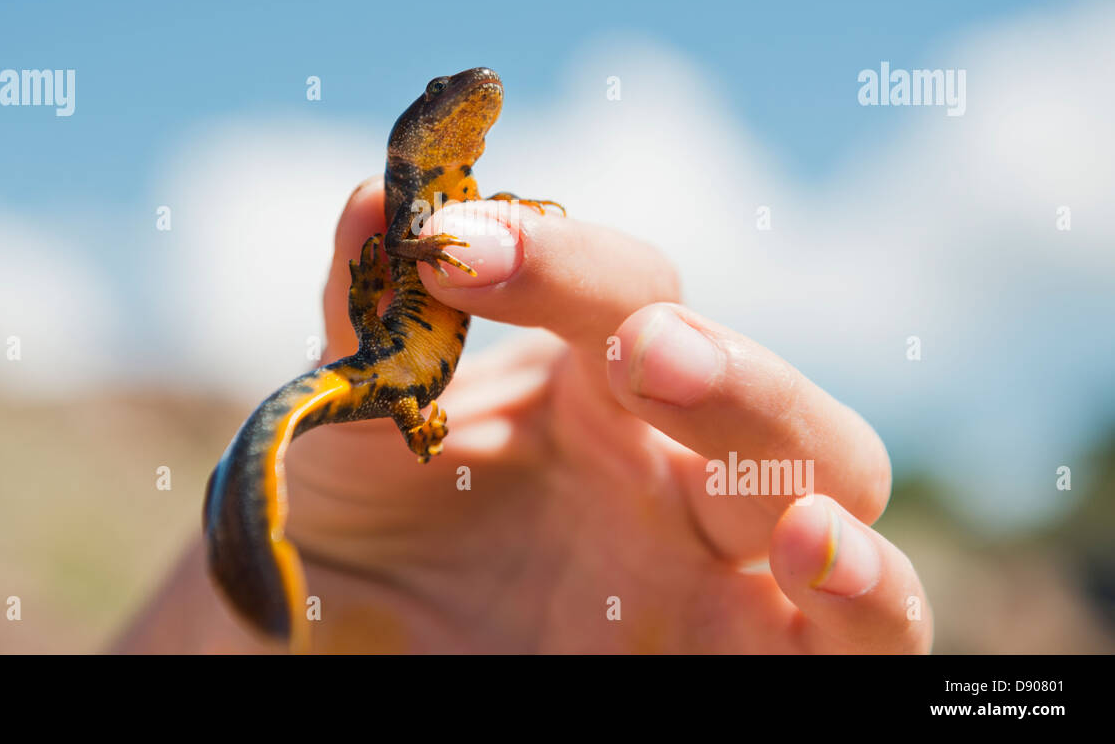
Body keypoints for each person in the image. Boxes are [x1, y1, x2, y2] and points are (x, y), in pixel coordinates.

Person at [115, 178, 932, 653]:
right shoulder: (419, 200)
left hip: (400, 384)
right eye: (443, 97)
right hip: (387, 369)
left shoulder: (467, 197)